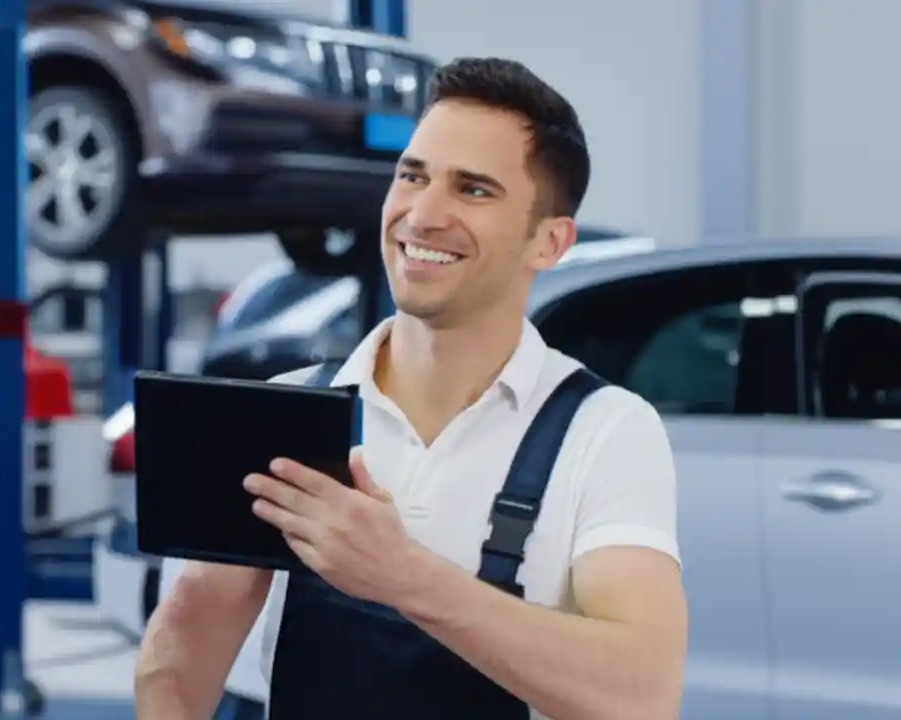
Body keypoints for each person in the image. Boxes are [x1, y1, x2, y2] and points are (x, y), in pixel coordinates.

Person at [135, 57, 688, 720]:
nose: (423, 215)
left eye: (473, 190)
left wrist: (401, 575)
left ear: (548, 242)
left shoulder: (605, 433)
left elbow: (642, 696)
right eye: (412, 175)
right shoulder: (289, 409)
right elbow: (182, 650)